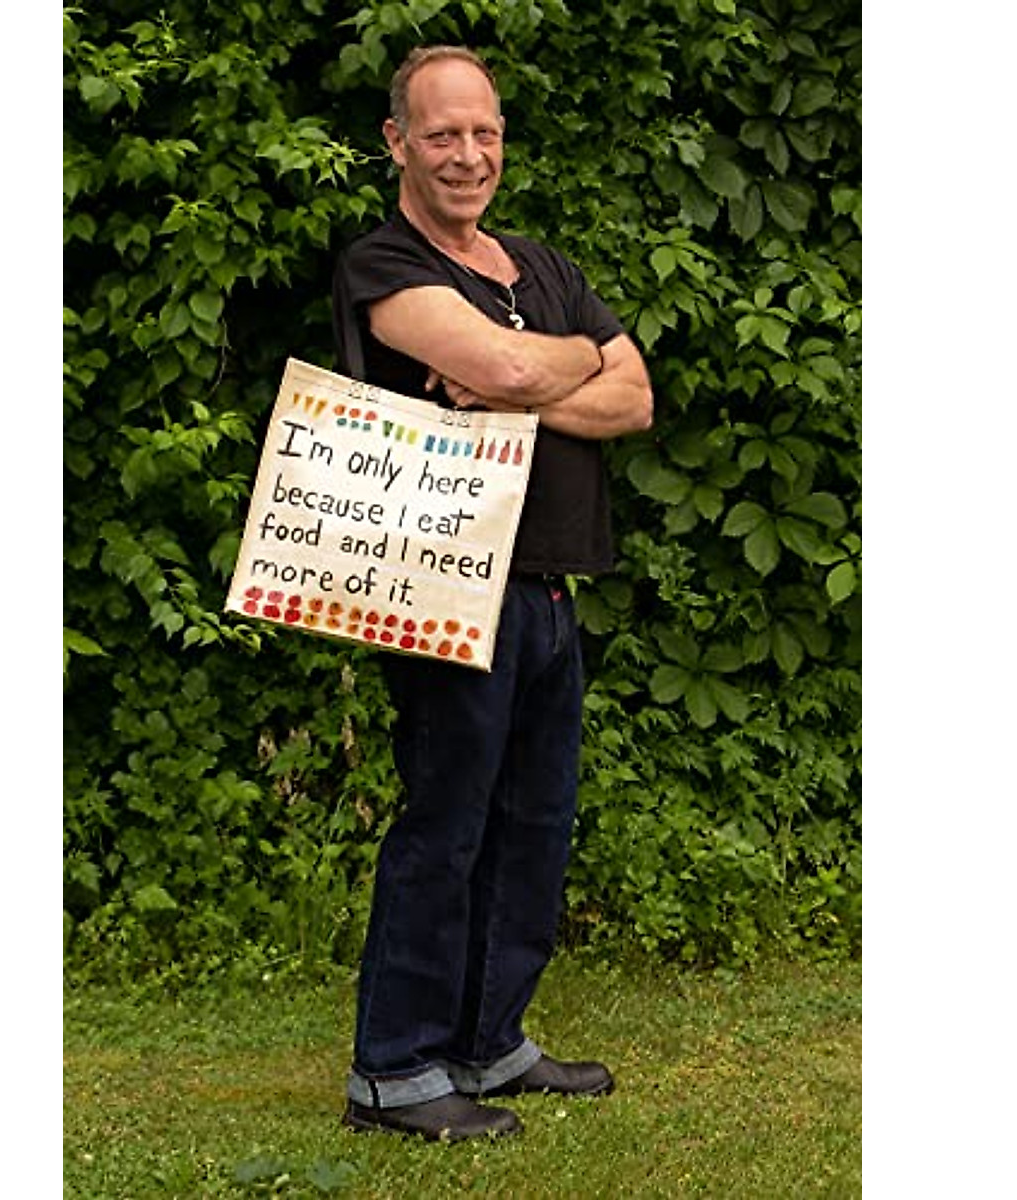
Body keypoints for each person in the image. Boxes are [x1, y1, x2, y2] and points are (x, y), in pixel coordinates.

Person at [331, 45, 654, 1142]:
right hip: (446, 588)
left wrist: (523, 383)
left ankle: (488, 1040)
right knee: (449, 826)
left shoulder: (541, 266)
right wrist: (565, 371)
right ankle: (394, 1070)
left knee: (533, 828)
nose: (468, 156)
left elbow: (637, 395)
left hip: (551, 586)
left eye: (485, 133)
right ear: (398, 144)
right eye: (442, 135)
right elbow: (547, 372)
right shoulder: (383, 264)